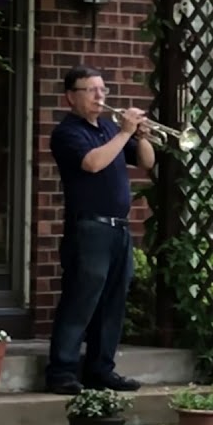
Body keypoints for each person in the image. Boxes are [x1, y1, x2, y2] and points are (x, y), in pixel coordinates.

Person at [45, 66, 155, 395]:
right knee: (81, 300)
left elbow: (147, 162)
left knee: (113, 302)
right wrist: (124, 133)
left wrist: (142, 135)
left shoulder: (109, 127)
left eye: (102, 89)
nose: (100, 96)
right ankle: (61, 371)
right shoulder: (67, 133)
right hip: (89, 227)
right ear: (71, 97)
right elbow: (92, 163)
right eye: (91, 90)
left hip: (119, 229)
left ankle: (100, 368)